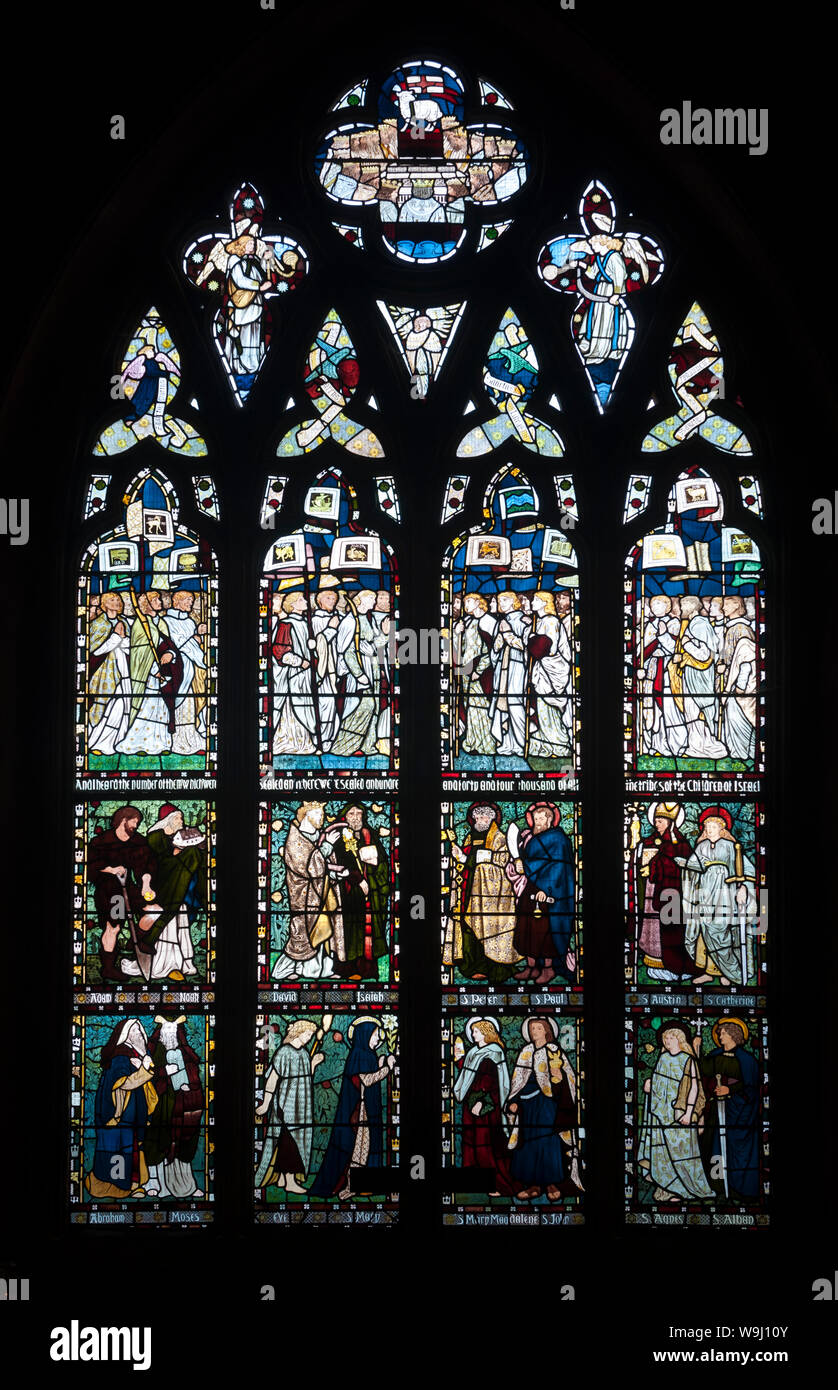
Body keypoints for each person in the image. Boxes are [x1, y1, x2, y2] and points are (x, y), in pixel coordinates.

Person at [309, 1018, 395, 1200]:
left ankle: (359, 1185)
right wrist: (387, 1068)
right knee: (357, 1149)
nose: (378, 1040)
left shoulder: (368, 1054)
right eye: (375, 1035)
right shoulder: (360, 1054)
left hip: (367, 1109)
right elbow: (365, 1080)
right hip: (359, 1110)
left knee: (364, 1148)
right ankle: (350, 1187)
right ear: (365, 1035)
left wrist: (380, 1064)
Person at [120, 805, 206, 981]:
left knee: (194, 855)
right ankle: (149, 950)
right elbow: (154, 862)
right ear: (167, 820)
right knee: (160, 913)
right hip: (158, 889)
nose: (181, 822)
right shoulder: (155, 838)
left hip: (178, 892)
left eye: (181, 818)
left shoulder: (185, 846)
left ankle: (177, 963)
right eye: (177, 818)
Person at [637, 1022, 715, 1202]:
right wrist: (650, 1085)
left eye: (670, 1037)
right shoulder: (662, 1059)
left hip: (679, 1114)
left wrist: (688, 1112)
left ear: (679, 1038)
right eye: (664, 1038)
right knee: (661, 1152)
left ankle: (685, 1187)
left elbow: (694, 1087)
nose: (666, 1041)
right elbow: (659, 1082)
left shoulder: (688, 1060)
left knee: (682, 1153)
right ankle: (667, 1188)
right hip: (660, 1114)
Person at [505, 1017, 581, 1201]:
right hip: (527, 1106)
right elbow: (518, 1080)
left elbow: (569, 1080)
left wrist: (558, 1075)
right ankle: (533, 1185)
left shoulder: (555, 1051)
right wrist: (513, 1100)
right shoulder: (525, 1051)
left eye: (538, 1028)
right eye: (532, 1028)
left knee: (548, 1141)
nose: (534, 1031)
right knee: (528, 1143)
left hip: (548, 1105)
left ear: (547, 1031)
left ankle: (551, 1183)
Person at [682, 807, 757, 986]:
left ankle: (728, 974)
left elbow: (747, 870)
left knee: (723, 932)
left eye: (713, 827)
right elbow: (693, 865)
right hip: (706, 895)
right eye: (707, 827)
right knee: (705, 929)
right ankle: (709, 972)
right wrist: (687, 866)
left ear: (722, 828)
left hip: (726, 895)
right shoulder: (701, 846)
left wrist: (744, 889)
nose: (709, 830)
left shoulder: (731, 847)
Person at [84, 1018, 158, 1199]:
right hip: (117, 1113)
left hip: (132, 1114)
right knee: (118, 1149)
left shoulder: (138, 1054)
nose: (140, 1034)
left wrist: (144, 1067)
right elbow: (121, 1083)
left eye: (141, 1031)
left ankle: (133, 1184)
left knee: (131, 1148)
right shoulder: (121, 1056)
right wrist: (144, 1070)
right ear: (126, 1036)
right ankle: (115, 1187)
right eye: (135, 1031)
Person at [449, 802, 520, 982]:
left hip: (491, 895)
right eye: (476, 817)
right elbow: (466, 862)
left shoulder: (499, 838)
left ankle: (492, 968)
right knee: (468, 927)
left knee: (489, 928)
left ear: (491, 818)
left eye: (483, 817)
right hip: (468, 890)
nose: (479, 821)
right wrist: (460, 857)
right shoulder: (470, 837)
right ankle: (472, 965)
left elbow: (504, 861)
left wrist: (472, 858)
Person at [87, 805, 156, 982]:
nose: (136, 825)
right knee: (114, 927)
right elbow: (92, 867)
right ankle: (108, 968)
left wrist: (146, 885)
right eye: (134, 821)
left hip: (130, 888)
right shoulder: (101, 842)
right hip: (111, 892)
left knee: (154, 910)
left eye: (138, 822)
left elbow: (146, 865)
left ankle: (135, 941)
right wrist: (111, 869)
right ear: (124, 820)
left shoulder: (138, 842)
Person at [255, 1019, 324, 1195]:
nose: (309, 1038)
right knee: (289, 1142)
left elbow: (305, 1076)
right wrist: (265, 1104)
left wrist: (313, 1063)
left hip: (301, 1105)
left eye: (310, 1036)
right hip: (286, 1104)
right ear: (299, 1033)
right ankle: (290, 1182)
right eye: (307, 1034)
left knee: (291, 1142)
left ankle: (281, 1179)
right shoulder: (283, 1052)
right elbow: (272, 1080)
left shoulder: (304, 1053)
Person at [272, 802, 339, 980]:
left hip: (319, 892)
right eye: (317, 813)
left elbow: (322, 866)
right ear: (307, 814)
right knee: (301, 935)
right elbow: (310, 867)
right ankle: (283, 971)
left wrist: (333, 872)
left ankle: (321, 970)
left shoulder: (317, 835)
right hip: (303, 894)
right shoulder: (295, 839)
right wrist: (327, 847)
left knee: (322, 928)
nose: (321, 817)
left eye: (322, 813)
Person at [696, 1018, 760, 1201]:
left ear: (734, 1034)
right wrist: (697, 1050)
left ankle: (740, 1188)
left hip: (739, 1114)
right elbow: (702, 1072)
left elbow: (752, 1088)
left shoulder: (747, 1060)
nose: (720, 1035)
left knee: (738, 1151)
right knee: (714, 1146)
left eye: (723, 1032)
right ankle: (718, 1187)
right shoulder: (715, 1055)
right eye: (719, 1033)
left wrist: (730, 1089)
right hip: (717, 1112)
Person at [142, 1013, 205, 1199]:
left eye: (173, 1030)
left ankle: (185, 1186)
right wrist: (163, 1072)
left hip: (183, 1103)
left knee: (183, 1142)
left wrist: (188, 1084)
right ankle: (156, 1184)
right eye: (166, 1030)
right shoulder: (154, 1052)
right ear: (160, 1033)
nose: (170, 1034)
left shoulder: (184, 1052)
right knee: (157, 1141)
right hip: (159, 1106)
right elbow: (146, 1074)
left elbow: (194, 1071)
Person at [512, 802, 576, 985]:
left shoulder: (558, 839)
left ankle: (548, 969)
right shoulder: (533, 838)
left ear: (550, 819)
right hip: (531, 888)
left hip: (550, 892)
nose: (537, 822)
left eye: (541, 818)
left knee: (546, 932)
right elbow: (532, 861)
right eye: (535, 819)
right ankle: (531, 967)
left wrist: (546, 890)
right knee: (526, 928)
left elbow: (558, 866)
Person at [323, 803, 389, 978]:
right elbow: (335, 864)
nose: (356, 817)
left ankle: (367, 970)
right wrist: (358, 879)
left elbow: (382, 861)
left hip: (372, 892)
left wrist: (373, 875)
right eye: (351, 814)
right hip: (348, 893)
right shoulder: (338, 837)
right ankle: (346, 969)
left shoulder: (370, 835)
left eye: (359, 814)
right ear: (345, 817)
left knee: (369, 931)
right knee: (349, 931)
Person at [453, 1018, 515, 1196]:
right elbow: (469, 1073)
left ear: (486, 1033)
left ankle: (496, 1183)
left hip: (486, 1108)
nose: (473, 1034)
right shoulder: (474, 1052)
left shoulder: (494, 1052)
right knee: (471, 1143)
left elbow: (490, 1080)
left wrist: (482, 1101)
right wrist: (459, 1060)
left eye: (476, 1031)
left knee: (486, 1144)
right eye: (472, 1031)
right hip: (470, 1105)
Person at [116, 590, 182, 757]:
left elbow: (169, 646)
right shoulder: (141, 624)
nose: (160, 602)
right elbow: (140, 653)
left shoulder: (161, 623)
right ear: (147, 604)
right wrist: (154, 671)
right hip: (148, 676)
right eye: (156, 600)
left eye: (159, 599)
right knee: (146, 707)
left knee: (162, 708)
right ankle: (139, 743)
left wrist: (171, 654)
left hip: (164, 672)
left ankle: (162, 743)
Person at [634, 802, 693, 981]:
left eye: (660, 821)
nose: (656, 824)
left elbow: (681, 863)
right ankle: (654, 960)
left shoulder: (680, 842)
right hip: (651, 891)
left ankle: (673, 963)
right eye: (656, 820)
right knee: (652, 925)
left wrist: (652, 868)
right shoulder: (650, 841)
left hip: (673, 891)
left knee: (671, 927)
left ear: (670, 822)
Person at [668, 595, 727, 759]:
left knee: (694, 713)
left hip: (698, 675)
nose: (679, 610)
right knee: (692, 713)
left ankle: (702, 747)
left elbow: (704, 655)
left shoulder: (699, 625)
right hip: (694, 674)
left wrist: (686, 644)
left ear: (690, 608)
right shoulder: (697, 623)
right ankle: (698, 746)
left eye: (681, 606)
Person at [528, 590, 573, 760]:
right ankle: (546, 741)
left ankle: (558, 742)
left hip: (553, 669)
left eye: (536, 600)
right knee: (542, 708)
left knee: (550, 708)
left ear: (545, 603)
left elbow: (550, 649)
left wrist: (533, 639)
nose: (532, 602)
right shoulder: (541, 621)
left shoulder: (551, 621)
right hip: (543, 669)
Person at [271, 592, 317, 755]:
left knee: (306, 705)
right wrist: (300, 662)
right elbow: (279, 650)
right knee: (294, 706)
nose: (305, 601)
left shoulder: (306, 622)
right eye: (300, 600)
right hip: (293, 674)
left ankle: (305, 742)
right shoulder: (286, 623)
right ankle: (288, 742)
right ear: (292, 605)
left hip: (306, 673)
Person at [87, 593, 133, 755]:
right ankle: (96, 742)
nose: (116, 602)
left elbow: (131, 648)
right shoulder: (97, 624)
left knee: (122, 705)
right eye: (112, 600)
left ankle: (117, 740)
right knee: (102, 704)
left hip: (124, 669)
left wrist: (122, 637)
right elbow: (95, 650)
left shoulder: (125, 622)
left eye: (118, 600)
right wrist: (115, 636)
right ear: (104, 604)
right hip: (103, 670)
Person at [164, 589, 207, 756]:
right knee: (178, 701)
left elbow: (192, 643)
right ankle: (178, 742)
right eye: (188, 600)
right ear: (177, 602)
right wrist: (196, 638)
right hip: (176, 668)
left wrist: (199, 635)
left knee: (190, 703)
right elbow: (177, 644)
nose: (191, 603)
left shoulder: (189, 622)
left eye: (191, 600)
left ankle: (191, 738)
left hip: (190, 667)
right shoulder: (167, 621)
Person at [488, 591, 529, 757]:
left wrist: (507, 634)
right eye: (499, 600)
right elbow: (496, 649)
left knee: (516, 704)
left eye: (504, 600)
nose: (500, 603)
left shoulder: (524, 621)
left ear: (513, 602)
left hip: (518, 668)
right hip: (503, 669)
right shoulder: (502, 622)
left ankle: (522, 743)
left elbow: (526, 646)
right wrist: (498, 641)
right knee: (502, 706)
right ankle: (507, 743)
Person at [453, 593, 494, 756]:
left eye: (468, 601)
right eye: (464, 602)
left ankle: (486, 743)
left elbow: (490, 651)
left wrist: (479, 670)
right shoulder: (467, 622)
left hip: (480, 672)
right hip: (465, 671)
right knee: (470, 707)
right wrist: (457, 633)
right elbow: (459, 649)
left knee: (481, 706)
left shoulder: (487, 622)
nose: (465, 605)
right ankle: (472, 740)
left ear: (478, 602)